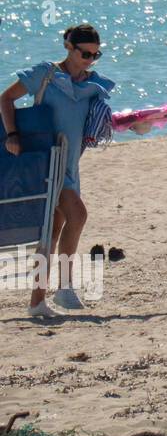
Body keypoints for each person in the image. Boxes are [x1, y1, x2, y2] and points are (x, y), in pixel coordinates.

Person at [1, 24, 114, 316]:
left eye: (95, 54)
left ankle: (37, 302)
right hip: (47, 164)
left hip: (72, 164)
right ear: (68, 47)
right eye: (85, 53)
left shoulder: (92, 84)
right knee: (78, 214)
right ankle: (63, 289)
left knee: (50, 232)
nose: (89, 60)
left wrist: (140, 123)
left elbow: (99, 122)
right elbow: (5, 99)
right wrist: (12, 135)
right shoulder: (46, 74)